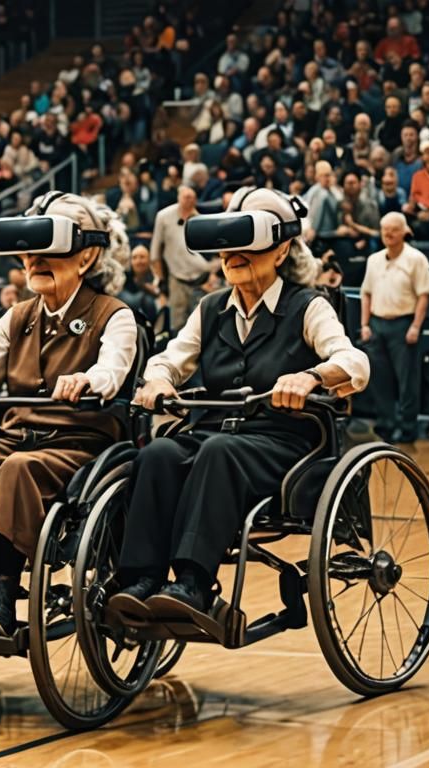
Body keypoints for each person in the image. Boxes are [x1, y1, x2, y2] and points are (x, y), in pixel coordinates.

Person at [111, 188, 369, 620]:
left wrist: (310, 376)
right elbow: (170, 358)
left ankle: (194, 583)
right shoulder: (211, 308)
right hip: (215, 434)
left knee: (217, 451)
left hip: (284, 445)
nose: (232, 254)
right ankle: (141, 580)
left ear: (282, 248)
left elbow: (353, 361)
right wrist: (156, 379)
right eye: (228, 245)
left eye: (246, 245)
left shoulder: (308, 306)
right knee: (157, 453)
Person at [0, 193, 135, 635]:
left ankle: (5, 592)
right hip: (16, 435)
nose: (35, 260)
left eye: (49, 249)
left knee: (18, 470)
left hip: (76, 445)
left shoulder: (114, 315)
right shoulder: (16, 316)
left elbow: (113, 368)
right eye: (28, 251)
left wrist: (88, 381)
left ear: (86, 257)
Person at [361, 212, 429, 443]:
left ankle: (407, 429)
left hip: (404, 324)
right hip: (377, 324)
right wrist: (364, 324)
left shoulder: (416, 259)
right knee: (380, 380)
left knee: (407, 381)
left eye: (393, 229)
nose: (388, 234)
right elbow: (366, 293)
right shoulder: (373, 259)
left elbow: (424, 295)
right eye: (385, 230)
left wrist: (415, 326)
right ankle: (385, 425)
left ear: (404, 232)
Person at [151, 186, 216, 332]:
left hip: (202, 279)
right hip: (177, 279)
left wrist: (211, 276)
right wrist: (161, 281)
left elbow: (213, 253)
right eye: (186, 196)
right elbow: (155, 253)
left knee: (201, 325)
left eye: (192, 197)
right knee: (177, 326)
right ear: (178, 198)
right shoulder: (163, 216)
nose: (189, 199)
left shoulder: (202, 218)